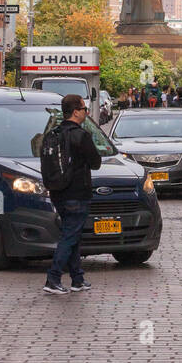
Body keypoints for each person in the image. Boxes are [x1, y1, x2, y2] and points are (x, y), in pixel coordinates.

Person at [43, 94, 102, 296]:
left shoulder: (54, 133)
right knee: (69, 236)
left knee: (72, 234)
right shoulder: (81, 135)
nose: (86, 112)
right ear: (76, 112)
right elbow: (95, 162)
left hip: (57, 191)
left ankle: (78, 278)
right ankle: (53, 278)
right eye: (84, 109)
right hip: (77, 192)